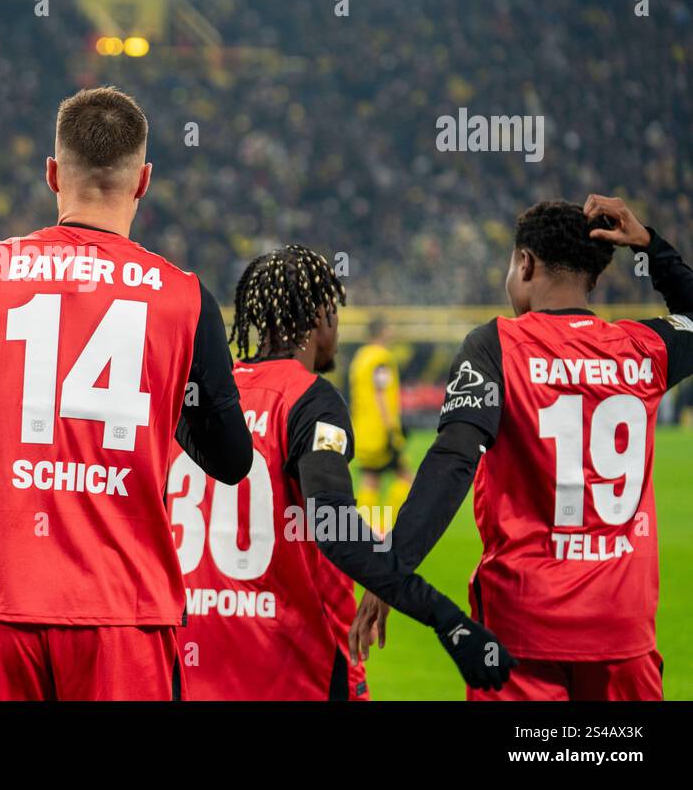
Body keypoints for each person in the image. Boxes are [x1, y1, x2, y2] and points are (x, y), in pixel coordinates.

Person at [0, 86, 254, 700]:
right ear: (144, 181)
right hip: (124, 617)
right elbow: (233, 459)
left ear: (52, 174)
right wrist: (169, 395)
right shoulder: (184, 297)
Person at [351, 196, 693, 700]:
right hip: (623, 636)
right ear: (593, 277)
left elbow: (454, 460)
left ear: (525, 264)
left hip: (521, 635)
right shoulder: (645, 347)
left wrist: (391, 570)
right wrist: (649, 244)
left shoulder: (496, 345)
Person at [172, 246, 513, 698]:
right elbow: (336, 529)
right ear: (322, 317)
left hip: (191, 664)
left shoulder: (204, 400)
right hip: (291, 668)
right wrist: (446, 618)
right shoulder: (309, 399)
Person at [348, 317, 413, 512]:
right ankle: (390, 522)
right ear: (382, 332)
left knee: (370, 479)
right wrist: (391, 427)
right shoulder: (381, 358)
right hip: (380, 430)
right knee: (406, 477)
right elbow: (380, 394)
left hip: (362, 429)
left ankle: (366, 525)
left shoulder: (360, 357)